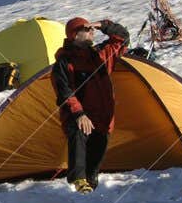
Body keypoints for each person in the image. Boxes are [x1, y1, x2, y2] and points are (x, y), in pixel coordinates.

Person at [50, 16, 130, 192]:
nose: (91, 32)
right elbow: (65, 92)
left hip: (103, 117)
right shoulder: (64, 62)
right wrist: (79, 114)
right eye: (86, 30)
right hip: (80, 116)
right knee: (79, 134)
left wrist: (103, 25)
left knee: (97, 155)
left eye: (91, 29)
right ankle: (77, 180)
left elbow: (123, 37)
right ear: (74, 35)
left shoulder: (100, 55)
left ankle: (89, 184)